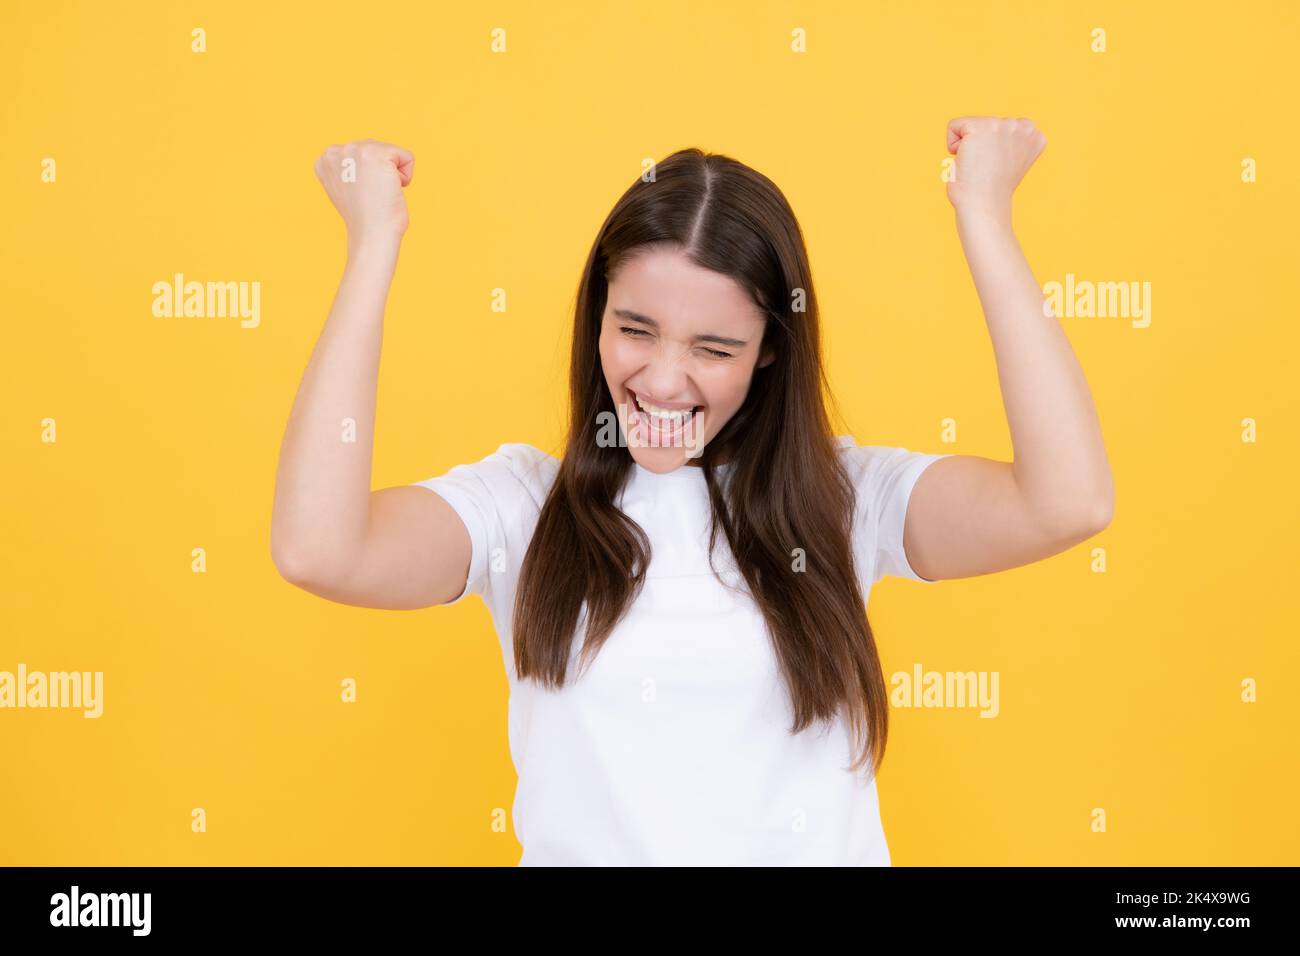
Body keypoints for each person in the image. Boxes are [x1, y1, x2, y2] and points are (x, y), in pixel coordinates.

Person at [271, 120, 1114, 865]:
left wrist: (986, 219)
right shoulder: (521, 509)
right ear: (597, 317)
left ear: (770, 349)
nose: (664, 380)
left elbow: (1067, 501)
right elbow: (319, 550)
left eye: (714, 348)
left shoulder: (845, 500)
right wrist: (373, 243)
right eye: (634, 329)